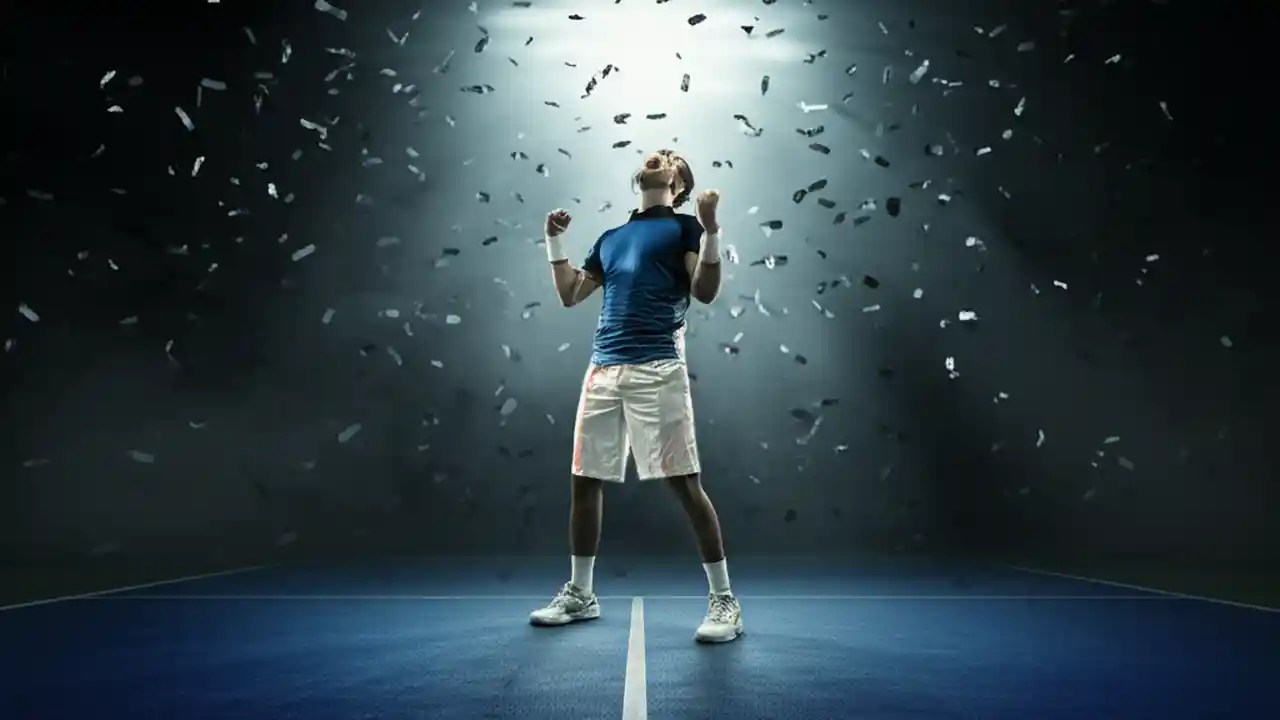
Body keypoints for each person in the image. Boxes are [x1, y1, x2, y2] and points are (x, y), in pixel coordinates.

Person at [530, 149, 742, 643]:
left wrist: (711, 231)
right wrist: (553, 238)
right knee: (584, 481)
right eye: (655, 153)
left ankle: (725, 601)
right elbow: (569, 294)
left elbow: (705, 291)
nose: (659, 156)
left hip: (658, 369)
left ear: (679, 184)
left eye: (671, 158)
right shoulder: (610, 238)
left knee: (684, 485)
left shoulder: (686, 227)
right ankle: (581, 595)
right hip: (603, 369)